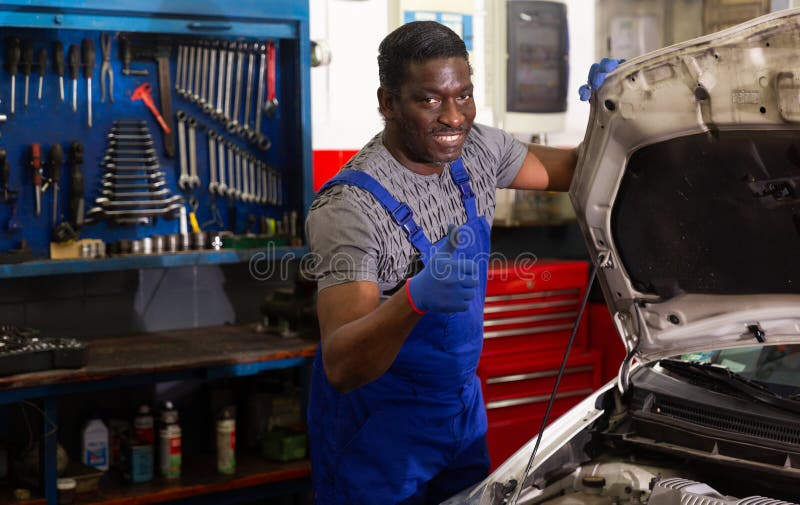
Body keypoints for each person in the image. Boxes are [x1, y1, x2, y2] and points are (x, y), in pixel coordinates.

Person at [306, 21, 617, 504]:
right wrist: (414, 298)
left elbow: (578, 172)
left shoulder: (478, 151)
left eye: (464, 96)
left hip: (460, 413)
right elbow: (343, 365)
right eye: (430, 100)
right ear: (388, 103)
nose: (454, 117)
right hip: (378, 433)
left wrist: (616, 113)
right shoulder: (350, 207)